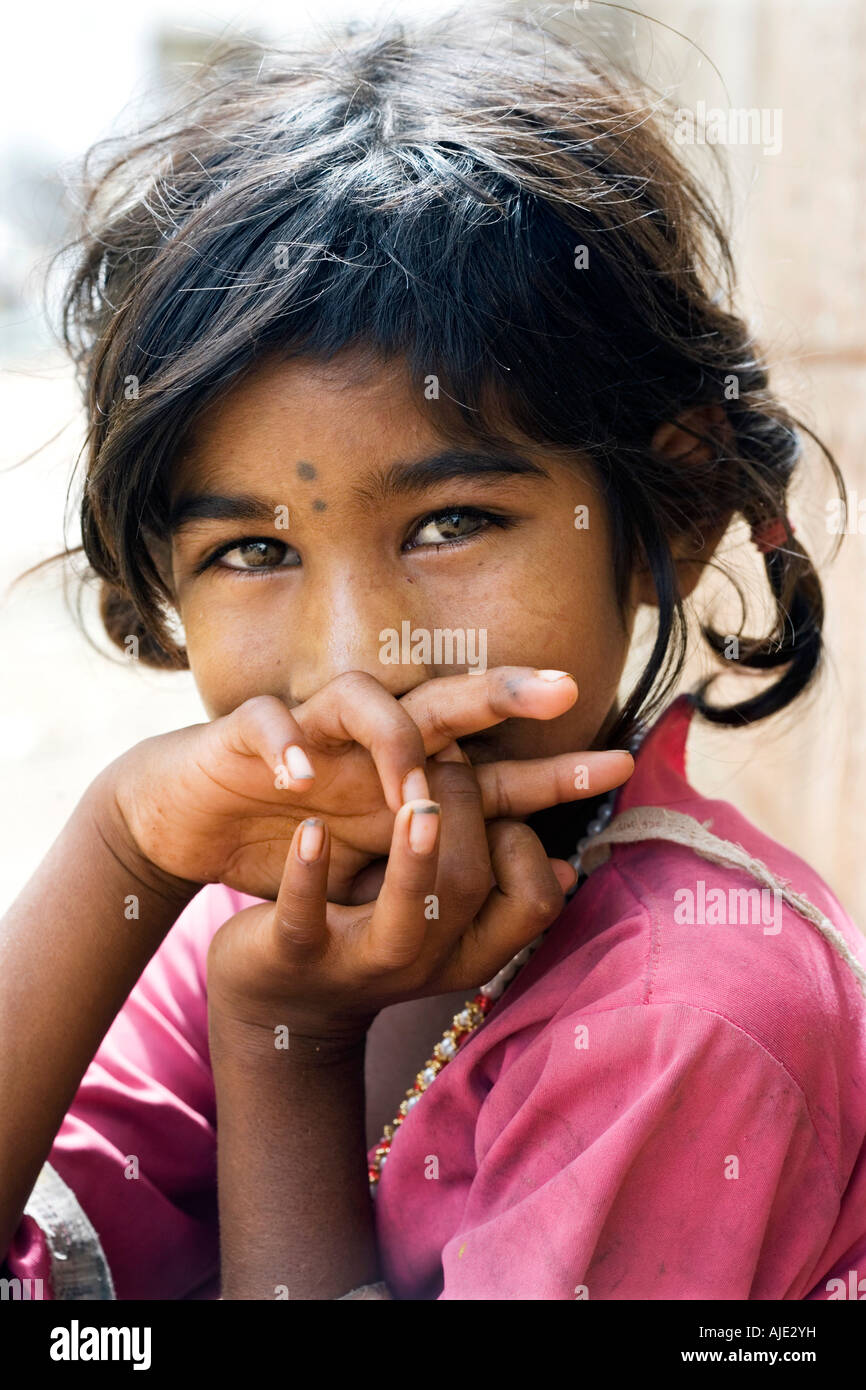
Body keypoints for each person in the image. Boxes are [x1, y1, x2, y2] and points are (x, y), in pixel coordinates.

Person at [2, 10, 865, 1301]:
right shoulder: (264, 910)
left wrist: (287, 1047)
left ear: (670, 509)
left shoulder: (684, 1015)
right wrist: (121, 840)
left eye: (452, 523)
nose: (359, 660)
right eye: (251, 548)